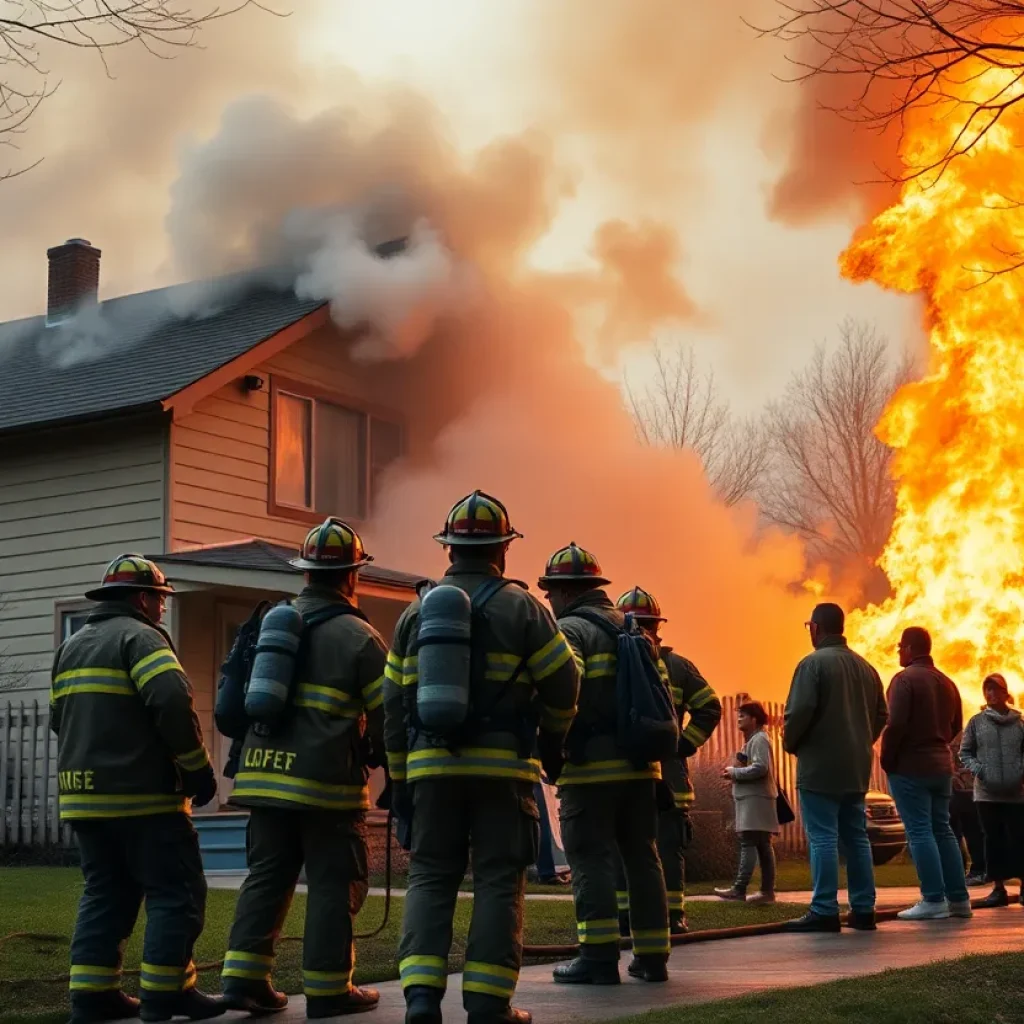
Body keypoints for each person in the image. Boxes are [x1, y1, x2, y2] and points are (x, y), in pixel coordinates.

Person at [384, 492, 580, 1024]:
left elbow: (393, 704)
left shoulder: (415, 613)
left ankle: (420, 999)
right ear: (503, 549)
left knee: (429, 877)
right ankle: (490, 1005)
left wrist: (400, 781)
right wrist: (553, 742)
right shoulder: (524, 608)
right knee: (497, 880)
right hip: (503, 775)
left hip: (430, 773)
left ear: (449, 549)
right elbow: (565, 685)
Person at [220, 519, 386, 1017]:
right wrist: (385, 762)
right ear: (352, 575)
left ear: (306, 573)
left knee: (267, 878)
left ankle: (244, 981)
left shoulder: (274, 623)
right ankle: (330, 990)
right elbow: (389, 715)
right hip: (326, 788)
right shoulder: (360, 638)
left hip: (262, 778)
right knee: (335, 884)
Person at [51, 555, 222, 1024]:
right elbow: (171, 699)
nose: (163, 609)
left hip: (84, 800)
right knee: (176, 891)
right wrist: (196, 770)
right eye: (160, 600)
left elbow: (58, 721)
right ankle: (168, 995)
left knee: (106, 893)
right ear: (143, 599)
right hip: (145, 800)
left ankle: (93, 998)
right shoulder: (142, 637)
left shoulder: (71, 646)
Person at [540, 547, 670, 986]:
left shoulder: (570, 629)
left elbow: (565, 685)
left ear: (566, 591)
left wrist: (553, 743)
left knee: (590, 857)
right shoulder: (635, 630)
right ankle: (652, 958)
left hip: (589, 769)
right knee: (643, 857)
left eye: (550, 591)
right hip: (642, 769)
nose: (549, 600)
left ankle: (597, 958)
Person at [613, 586, 721, 936]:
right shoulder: (677, 667)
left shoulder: (616, 660)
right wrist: (681, 746)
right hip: (666, 778)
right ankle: (671, 917)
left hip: (629, 775)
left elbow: (709, 707)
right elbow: (709, 708)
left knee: (629, 848)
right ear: (658, 625)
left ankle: (631, 918)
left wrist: (683, 745)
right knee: (666, 851)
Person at [781, 602, 888, 933]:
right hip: (855, 767)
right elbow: (882, 714)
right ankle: (864, 910)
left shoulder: (812, 664)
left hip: (819, 768)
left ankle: (824, 910)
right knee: (857, 837)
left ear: (815, 628)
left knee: (823, 837)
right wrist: (861, 741)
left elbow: (799, 712)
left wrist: (791, 743)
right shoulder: (867, 668)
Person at [880, 627, 971, 921]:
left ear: (909, 648)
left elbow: (895, 725)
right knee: (942, 829)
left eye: (900, 647)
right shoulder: (947, 682)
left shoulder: (903, 680)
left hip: (911, 766)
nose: (898, 652)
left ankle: (933, 899)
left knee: (919, 831)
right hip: (941, 766)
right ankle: (959, 899)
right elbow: (956, 725)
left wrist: (887, 758)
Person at [959, 673, 1024, 908]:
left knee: (1019, 839)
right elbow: (965, 752)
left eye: (995, 689)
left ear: (1006, 693)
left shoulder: (1019, 724)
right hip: (986, 794)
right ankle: (998, 889)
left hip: (1016, 794)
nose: (990, 693)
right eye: (987, 689)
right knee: (992, 840)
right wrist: (980, 771)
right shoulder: (976, 722)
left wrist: (1020, 771)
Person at [715, 701, 779, 904]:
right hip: (755, 799)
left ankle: (739, 889)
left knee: (749, 842)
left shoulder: (759, 739)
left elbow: (761, 768)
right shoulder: (754, 739)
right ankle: (767, 893)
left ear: (754, 719)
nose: (739, 718)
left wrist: (735, 773)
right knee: (763, 845)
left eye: (743, 715)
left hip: (756, 800)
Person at [949, 742, 987, 885]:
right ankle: (970, 870)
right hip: (963, 789)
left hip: (965, 790)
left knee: (969, 831)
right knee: (961, 832)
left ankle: (976, 870)